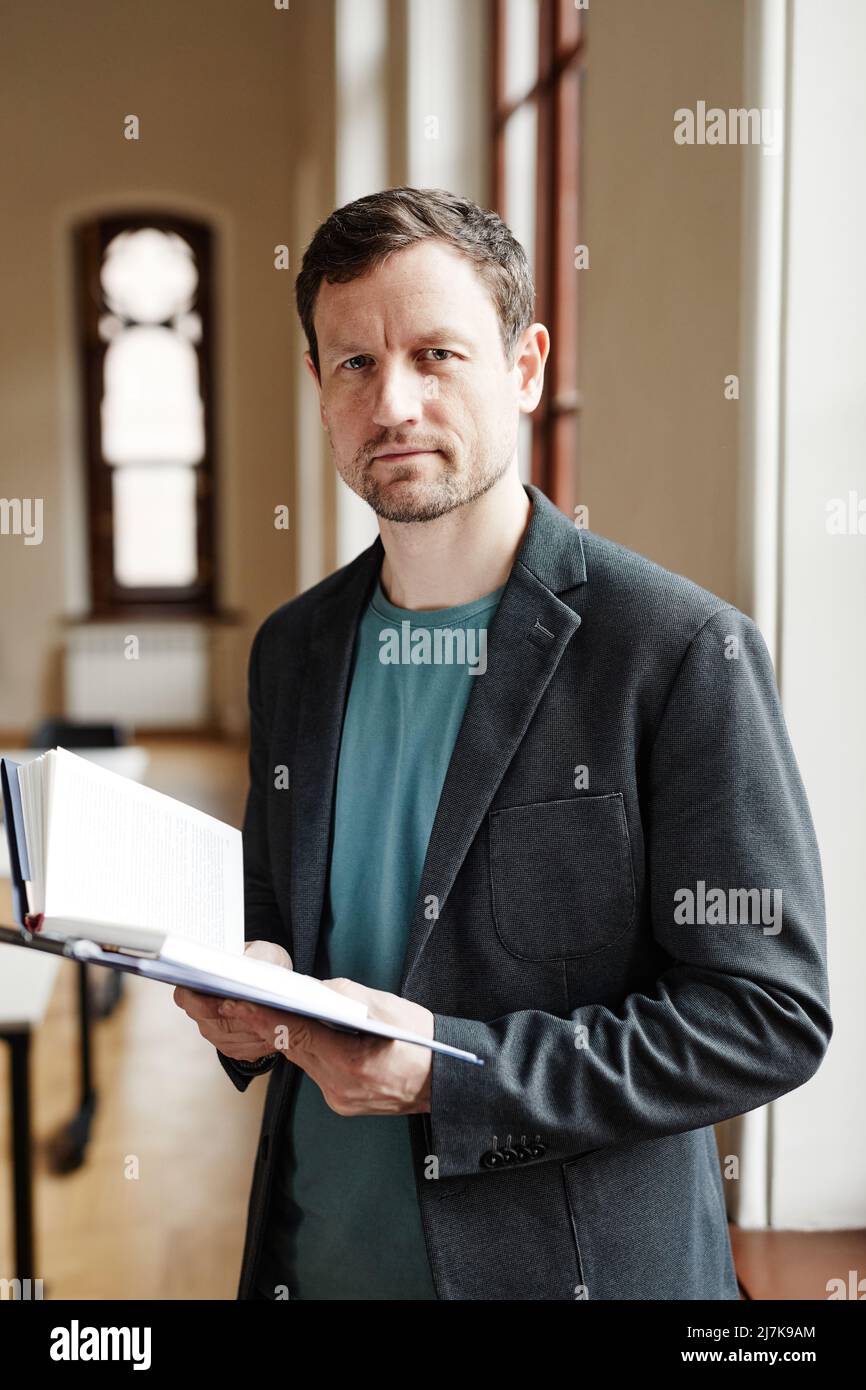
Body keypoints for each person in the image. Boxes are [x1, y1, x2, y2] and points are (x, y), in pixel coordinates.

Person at [174, 186, 832, 1301]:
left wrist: (454, 1073)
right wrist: (245, 999)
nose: (393, 403)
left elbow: (763, 1015)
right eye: (353, 365)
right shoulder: (291, 649)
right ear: (317, 391)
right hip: (311, 1260)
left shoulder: (677, 650)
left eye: (437, 354)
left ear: (523, 367)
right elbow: (277, 924)